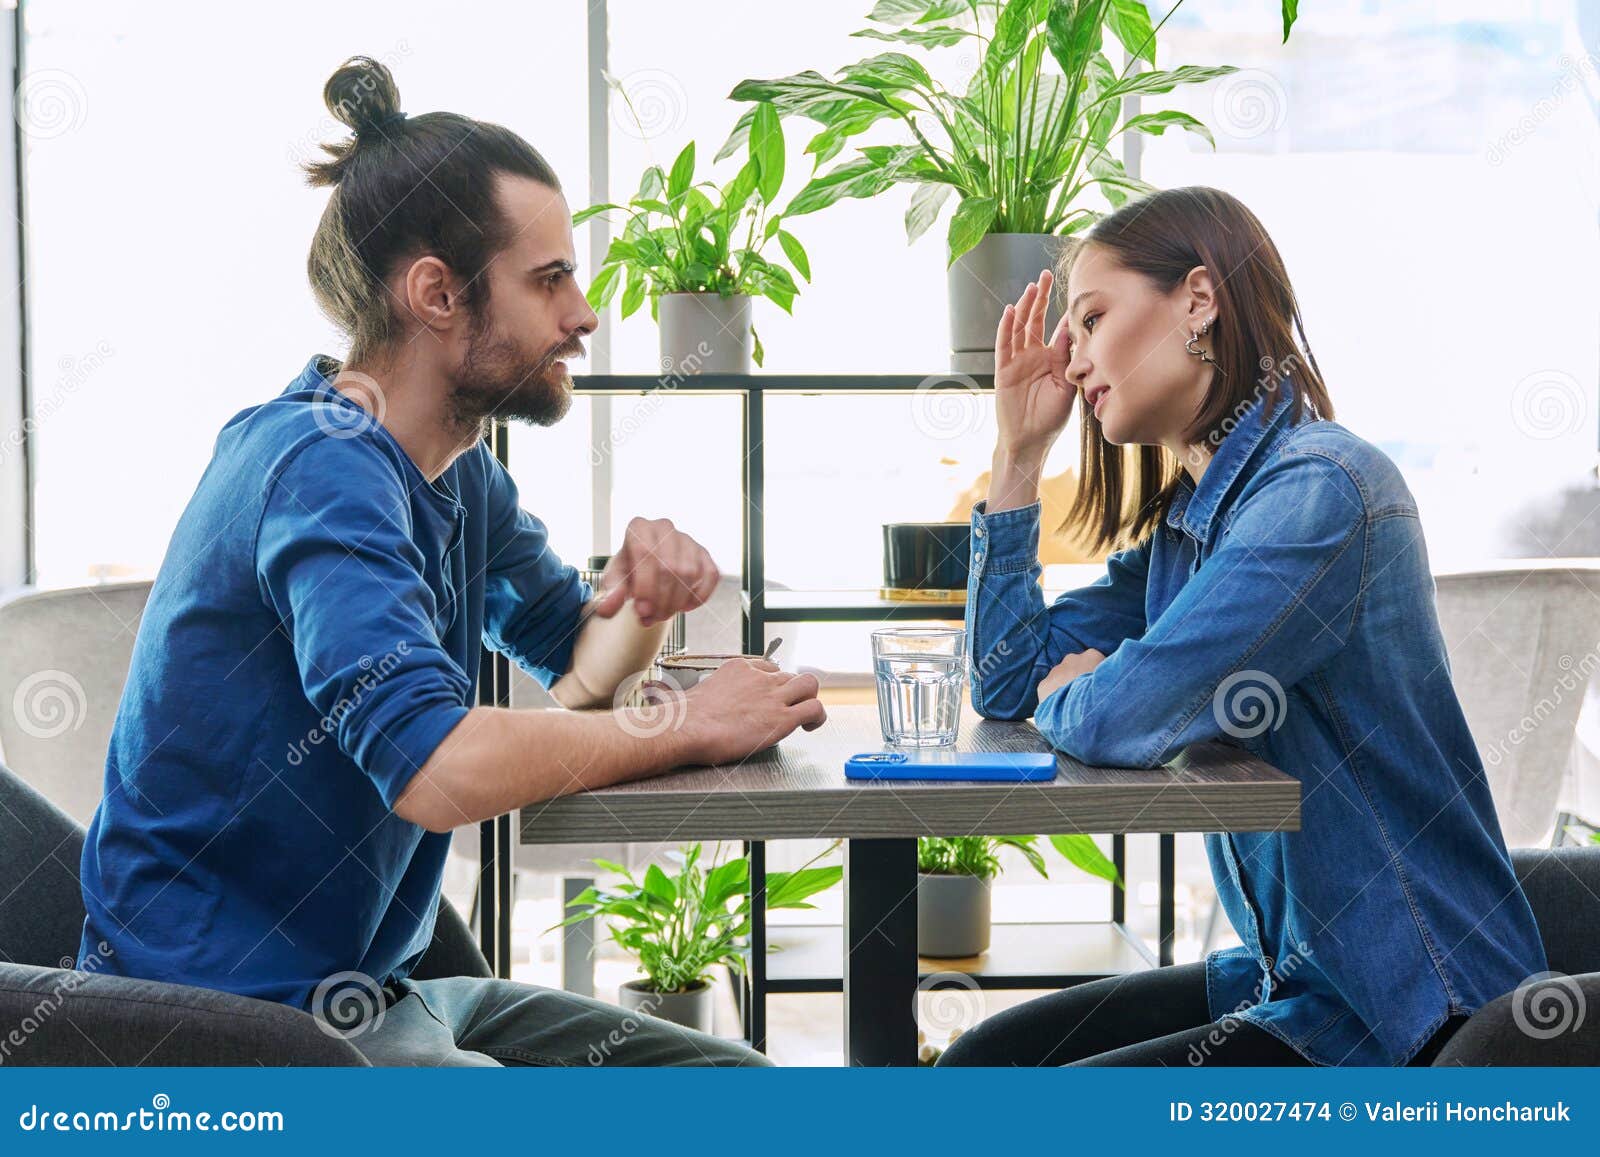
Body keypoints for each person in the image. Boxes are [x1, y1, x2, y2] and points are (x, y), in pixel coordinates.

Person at [78, 55, 825, 1067]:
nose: (584, 314)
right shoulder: (320, 466)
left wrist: (644, 596)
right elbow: (436, 767)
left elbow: (577, 665)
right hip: (229, 1028)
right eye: (549, 279)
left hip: (377, 995)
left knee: (740, 1088)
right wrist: (687, 723)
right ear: (436, 292)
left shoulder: (457, 473)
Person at [938, 186, 1546, 1067]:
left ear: (1197, 300)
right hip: (1292, 979)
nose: (1069, 363)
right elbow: (1003, 680)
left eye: (1093, 317)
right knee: (982, 1064)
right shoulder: (1195, 527)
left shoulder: (1320, 495)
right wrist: (1019, 457)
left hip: (1407, 1015)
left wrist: (1080, 690)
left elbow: (1118, 717)